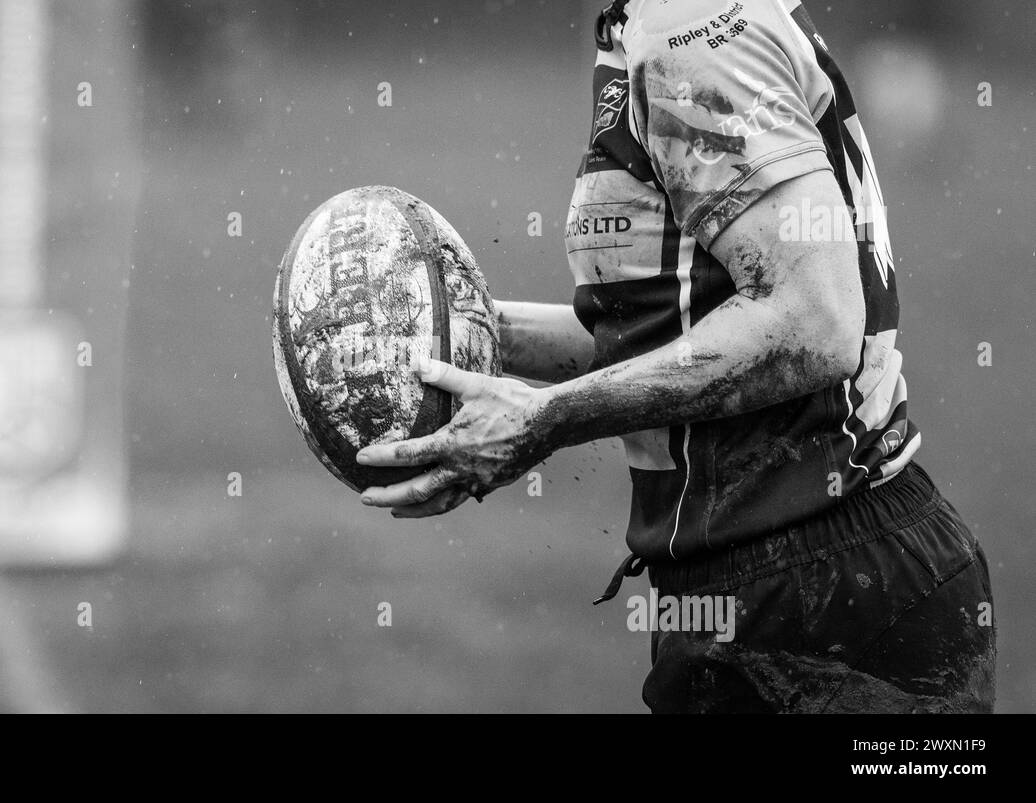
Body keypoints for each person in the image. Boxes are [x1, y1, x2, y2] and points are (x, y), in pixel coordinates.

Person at [356, 0, 996, 713]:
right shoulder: (651, 27)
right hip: (767, 582)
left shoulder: (691, 28)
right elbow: (679, 330)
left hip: (825, 594)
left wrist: (546, 419)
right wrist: (468, 328)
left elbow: (815, 320)